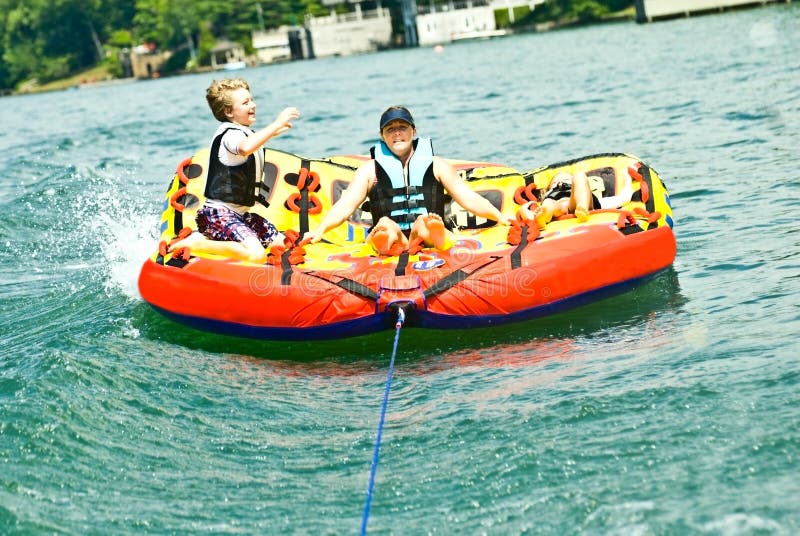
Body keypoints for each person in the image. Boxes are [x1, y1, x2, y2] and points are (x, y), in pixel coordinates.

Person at [304, 106, 512, 254]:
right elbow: (345, 205)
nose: (397, 133)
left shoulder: (436, 165)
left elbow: (468, 198)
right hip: (393, 234)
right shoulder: (369, 171)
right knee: (385, 224)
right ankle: (386, 241)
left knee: (424, 223)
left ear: (414, 131)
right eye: (390, 129)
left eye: (402, 127)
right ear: (382, 135)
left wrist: (499, 217)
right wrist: (320, 230)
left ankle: (434, 236)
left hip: (423, 232)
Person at [171, 78, 300, 263]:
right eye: (245, 103)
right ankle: (197, 242)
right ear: (228, 111)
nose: (253, 105)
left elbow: (253, 140)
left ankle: (212, 239)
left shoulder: (243, 132)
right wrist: (276, 123)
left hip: (241, 215)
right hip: (218, 215)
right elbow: (245, 147)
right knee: (256, 254)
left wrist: (277, 129)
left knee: (283, 243)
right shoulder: (230, 135)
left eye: (252, 100)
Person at [519, 170, 597, 229]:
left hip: (576, 202)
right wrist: (525, 211)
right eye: (554, 183)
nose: (560, 182)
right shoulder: (549, 194)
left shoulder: (576, 187)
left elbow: (581, 186)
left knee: (579, 175)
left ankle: (582, 206)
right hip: (559, 208)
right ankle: (542, 218)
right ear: (548, 189)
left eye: (566, 179)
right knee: (548, 203)